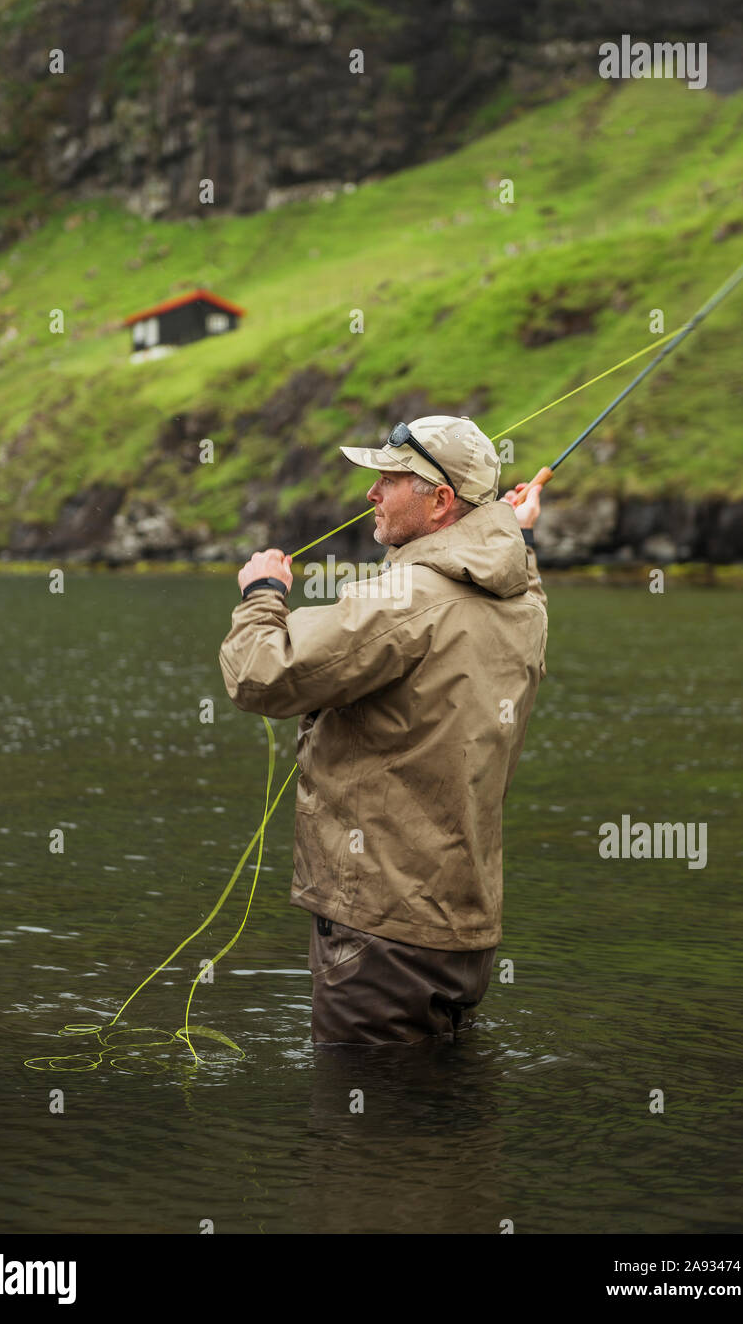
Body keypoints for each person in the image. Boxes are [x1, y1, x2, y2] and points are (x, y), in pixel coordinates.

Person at [219, 415, 547, 1044]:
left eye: (391, 480)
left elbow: (258, 675)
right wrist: (510, 531)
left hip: (382, 928)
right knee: (441, 1116)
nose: (370, 493)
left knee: (368, 1133)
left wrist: (262, 593)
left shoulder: (405, 597)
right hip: (462, 930)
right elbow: (510, 568)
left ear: (441, 501)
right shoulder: (523, 602)